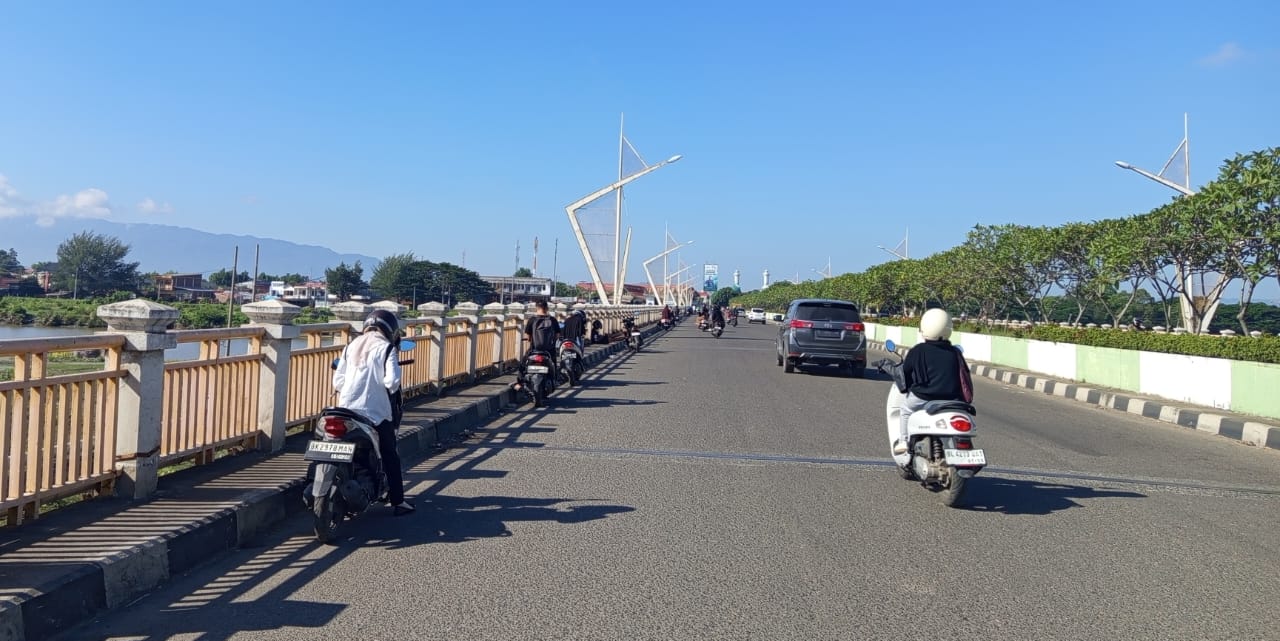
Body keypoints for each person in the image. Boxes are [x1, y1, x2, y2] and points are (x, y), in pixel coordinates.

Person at [332, 309, 414, 515]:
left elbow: (338, 382)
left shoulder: (350, 346)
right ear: (391, 330)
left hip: (346, 410)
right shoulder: (386, 348)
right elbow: (392, 382)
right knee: (389, 454)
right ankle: (398, 502)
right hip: (374, 412)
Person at [895, 308, 968, 456]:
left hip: (923, 397)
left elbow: (906, 372)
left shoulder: (918, 350)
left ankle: (904, 441)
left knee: (905, 410)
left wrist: (907, 387)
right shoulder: (955, 352)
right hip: (952, 399)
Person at [516, 300, 562, 388]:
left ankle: (519, 382)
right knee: (553, 364)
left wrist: (531, 340)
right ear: (547, 308)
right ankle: (555, 380)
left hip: (535, 348)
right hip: (549, 349)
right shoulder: (552, 320)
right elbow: (557, 335)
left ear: (536, 308)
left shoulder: (532, 320)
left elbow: (528, 336)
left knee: (524, 363)